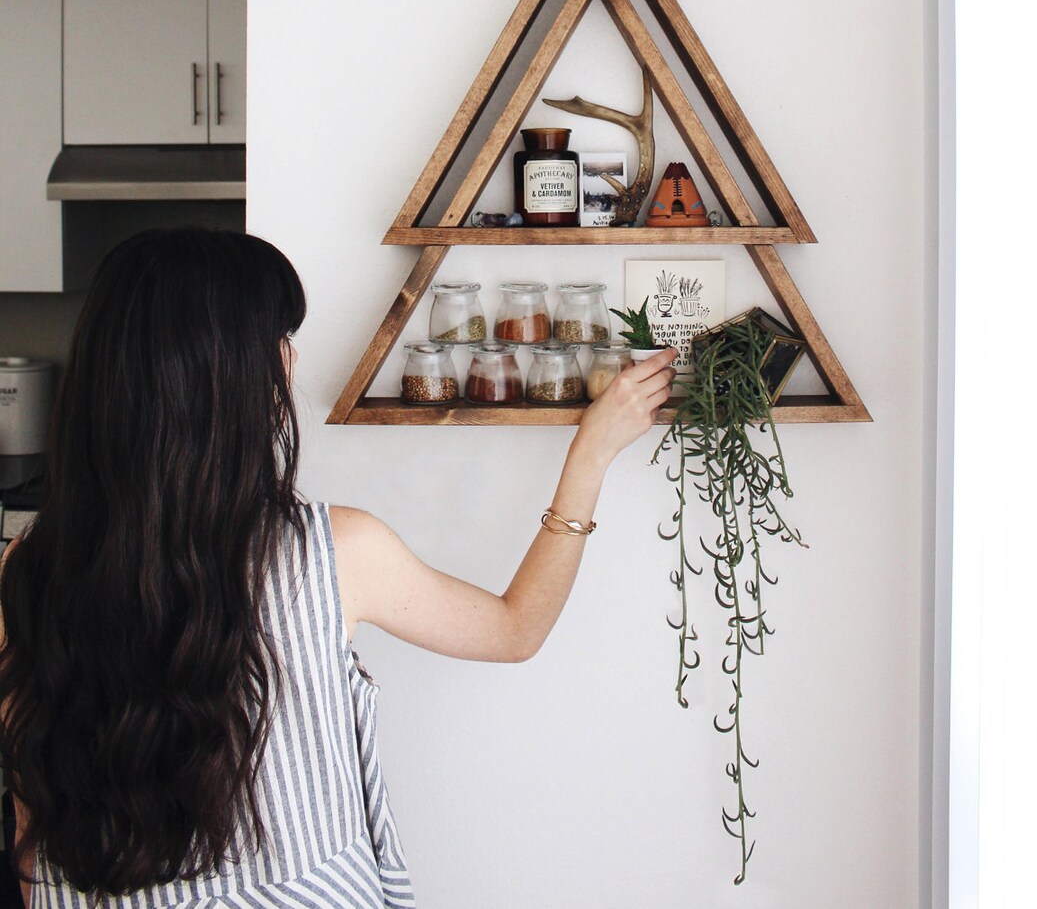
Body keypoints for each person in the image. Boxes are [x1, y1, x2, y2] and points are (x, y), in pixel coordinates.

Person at [0, 229, 674, 908]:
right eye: (277, 337)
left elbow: (28, 824)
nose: (290, 357)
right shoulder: (329, 552)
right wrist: (593, 452)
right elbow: (515, 629)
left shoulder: (24, 568)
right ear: (229, 376)